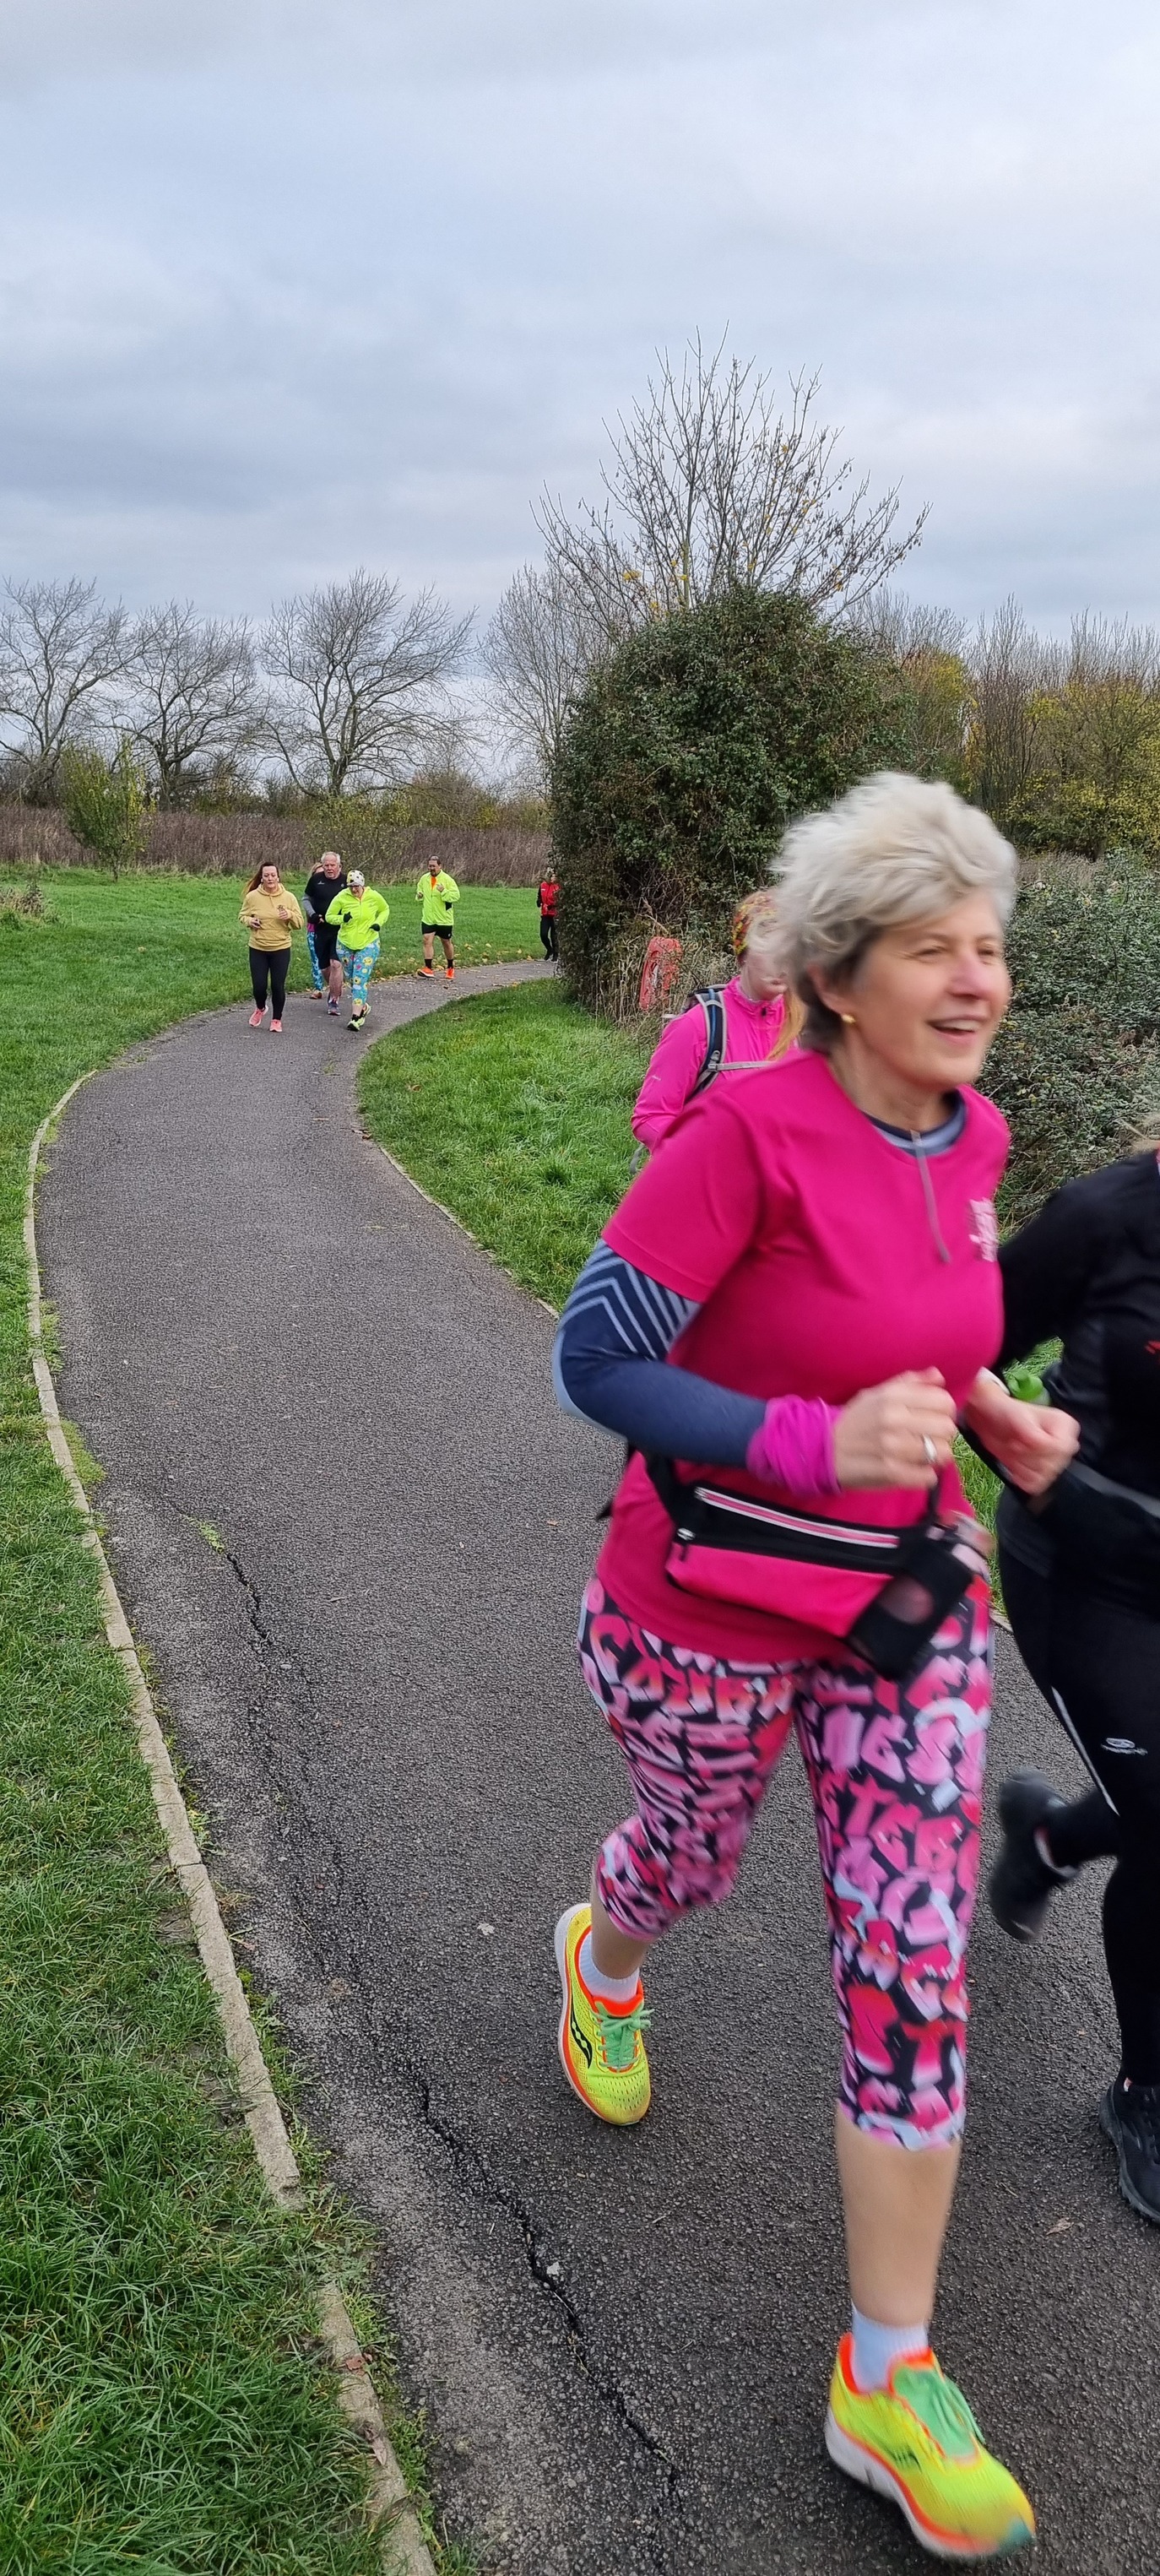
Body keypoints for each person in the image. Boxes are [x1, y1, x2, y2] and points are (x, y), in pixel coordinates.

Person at [551, 773, 1077, 2561]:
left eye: (991, 942)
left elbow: (939, 1312)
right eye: (935, 944)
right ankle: (604, 1952)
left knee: (914, 1957)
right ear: (843, 975)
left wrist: (989, 1411)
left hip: (906, 1607)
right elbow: (596, 1358)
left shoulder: (978, 1138)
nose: (976, 974)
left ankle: (888, 2367)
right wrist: (804, 1440)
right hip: (704, 1596)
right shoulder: (744, 1135)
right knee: (687, 1859)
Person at [987, 1143, 1160, 2222]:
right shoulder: (1108, 1214)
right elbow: (957, 1344)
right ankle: (1146, 2089)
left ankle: (1050, 1836)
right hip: (1086, 1575)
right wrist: (1011, 1441)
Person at [631, 887, 805, 1153]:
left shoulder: (802, 1025)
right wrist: (702, 1158)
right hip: (710, 1187)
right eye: (770, 949)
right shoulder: (699, 1026)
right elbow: (650, 1117)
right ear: (743, 953)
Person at [239, 864, 304, 1032]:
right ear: (262, 878)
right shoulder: (252, 897)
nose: (270, 879)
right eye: (266, 875)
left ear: (278, 877)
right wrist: (250, 921)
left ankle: (276, 1020)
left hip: (281, 947)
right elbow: (243, 915)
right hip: (258, 947)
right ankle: (261, 1007)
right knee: (259, 986)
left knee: (277, 985)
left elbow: (299, 923)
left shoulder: (289, 897)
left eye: (272, 875)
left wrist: (289, 915)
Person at [325, 869, 389, 1031]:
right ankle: (363, 1006)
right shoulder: (342, 897)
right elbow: (329, 916)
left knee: (359, 981)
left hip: (368, 943)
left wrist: (378, 923)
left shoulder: (374, 896)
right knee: (353, 979)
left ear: (363, 885)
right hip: (345, 944)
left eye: (357, 886)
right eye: (351, 886)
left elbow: (385, 909)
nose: (354, 889)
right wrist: (342, 918)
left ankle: (356, 1018)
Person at [303, 849, 347, 1011]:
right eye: (326, 865)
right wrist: (312, 914)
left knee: (336, 963)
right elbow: (306, 899)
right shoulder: (316, 880)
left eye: (332, 865)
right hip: (321, 929)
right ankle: (335, 988)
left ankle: (334, 1000)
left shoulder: (346, 882)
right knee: (324, 967)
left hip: (341, 930)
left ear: (339, 866)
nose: (329, 868)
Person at [415, 860, 460, 978]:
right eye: (430, 866)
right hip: (429, 918)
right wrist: (419, 895)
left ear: (440, 866)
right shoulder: (424, 879)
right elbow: (419, 891)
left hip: (444, 918)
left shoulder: (447, 879)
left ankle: (450, 967)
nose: (431, 868)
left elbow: (456, 896)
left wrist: (443, 891)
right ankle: (428, 969)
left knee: (446, 942)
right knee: (426, 940)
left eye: (434, 866)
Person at [537, 865, 560, 961]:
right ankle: (549, 949)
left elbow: (561, 901)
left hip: (555, 914)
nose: (554, 878)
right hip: (545, 914)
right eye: (552, 876)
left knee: (554, 935)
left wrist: (553, 905)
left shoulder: (558, 887)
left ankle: (555, 954)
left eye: (555, 876)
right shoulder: (543, 886)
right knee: (543, 934)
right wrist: (539, 901)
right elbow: (540, 896)